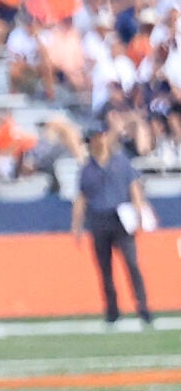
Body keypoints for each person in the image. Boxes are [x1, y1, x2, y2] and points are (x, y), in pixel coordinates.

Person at [75, 128, 157, 326]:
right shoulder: (87, 169)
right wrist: (76, 225)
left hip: (121, 218)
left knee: (132, 264)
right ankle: (112, 311)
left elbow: (134, 187)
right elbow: (82, 197)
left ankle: (143, 307)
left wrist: (139, 212)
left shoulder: (121, 162)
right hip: (98, 219)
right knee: (105, 269)